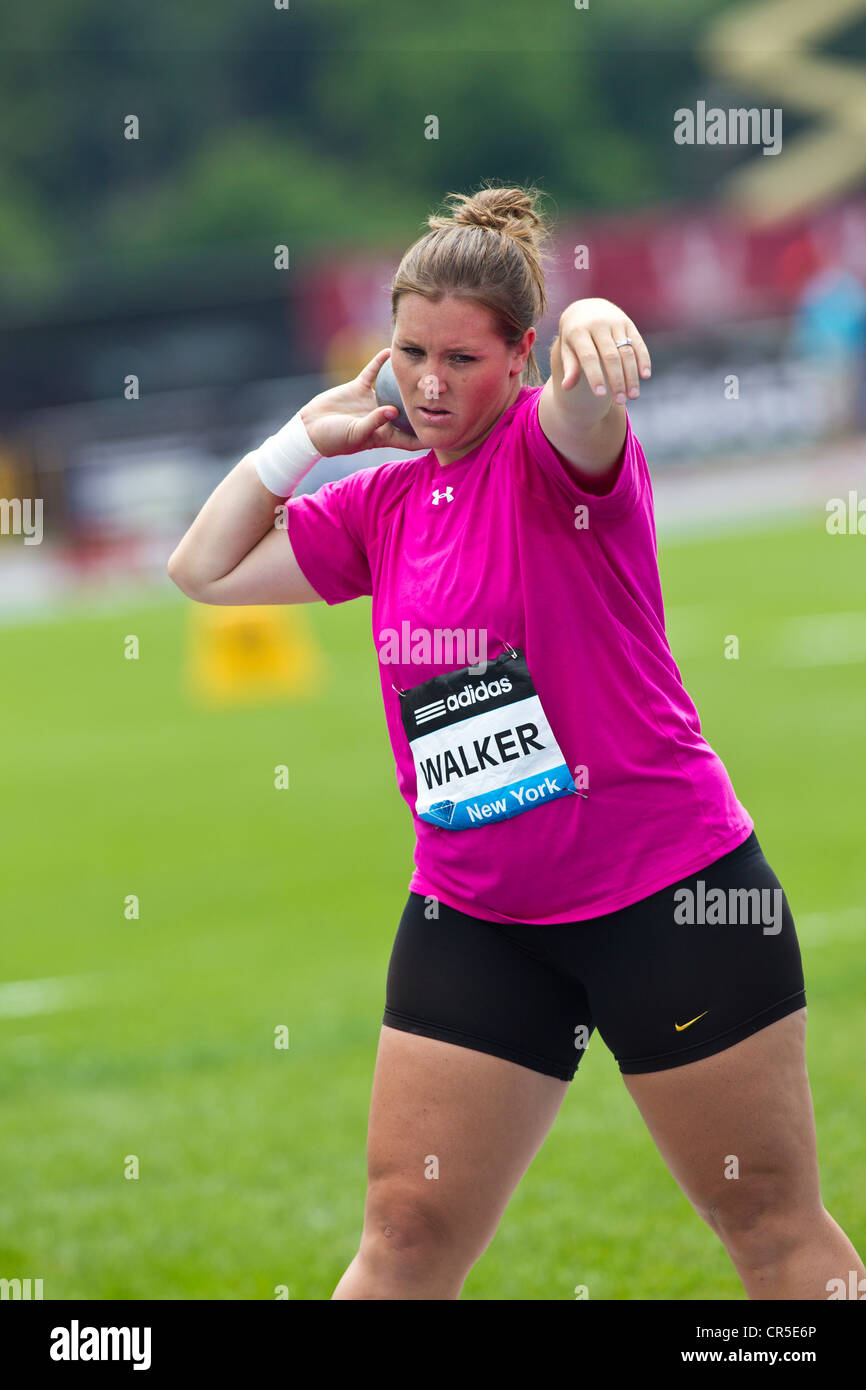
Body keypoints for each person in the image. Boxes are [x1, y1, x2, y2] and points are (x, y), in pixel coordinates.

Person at [167, 184, 865, 1302]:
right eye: (409, 354)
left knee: (768, 1228)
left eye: (460, 358)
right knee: (402, 1233)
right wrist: (305, 435)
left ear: (519, 356)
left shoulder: (553, 460)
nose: (430, 384)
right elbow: (201, 570)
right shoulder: (380, 506)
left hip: (667, 898)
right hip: (478, 919)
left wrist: (592, 338)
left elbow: (585, 410)